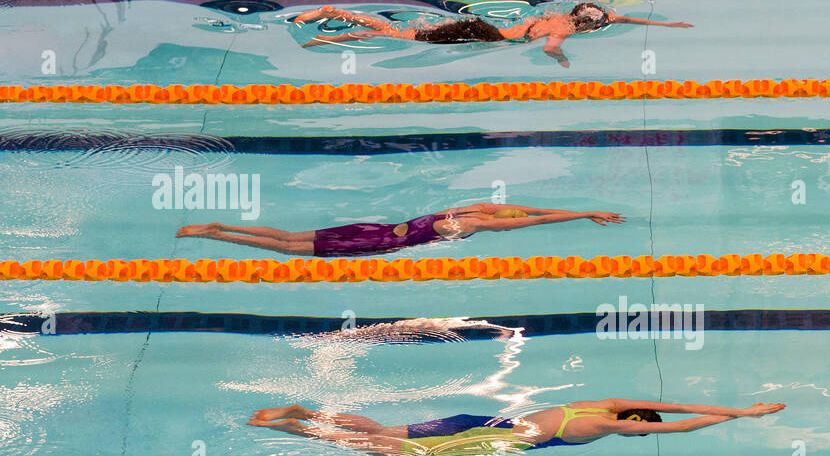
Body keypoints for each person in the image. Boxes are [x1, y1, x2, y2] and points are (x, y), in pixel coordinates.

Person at [246, 398, 786, 456]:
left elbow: (668, 405)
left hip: (481, 419)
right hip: (496, 438)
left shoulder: (604, 402)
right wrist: (741, 418)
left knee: (391, 430)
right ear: (633, 428)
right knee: (388, 450)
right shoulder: (606, 423)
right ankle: (292, 430)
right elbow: (684, 426)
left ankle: (304, 413)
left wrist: (738, 410)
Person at [292, 1, 692, 67]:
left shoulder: (559, 13)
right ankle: (333, 16)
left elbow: (616, 18)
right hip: (484, 35)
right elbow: (552, 46)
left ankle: (340, 31)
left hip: (484, 28)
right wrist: (563, 58)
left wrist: (665, 25)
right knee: (398, 35)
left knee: (403, 30)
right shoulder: (561, 30)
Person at [175, 203, 624, 257]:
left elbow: (532, 209)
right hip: (370, 242)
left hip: (370, 225)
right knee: (289, 251)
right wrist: (584, 215)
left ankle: (222, 225)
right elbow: (540, 219)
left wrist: (586, 211)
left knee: (294, 233)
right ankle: (216, 236)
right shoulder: (478, 225)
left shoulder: (479, 205)